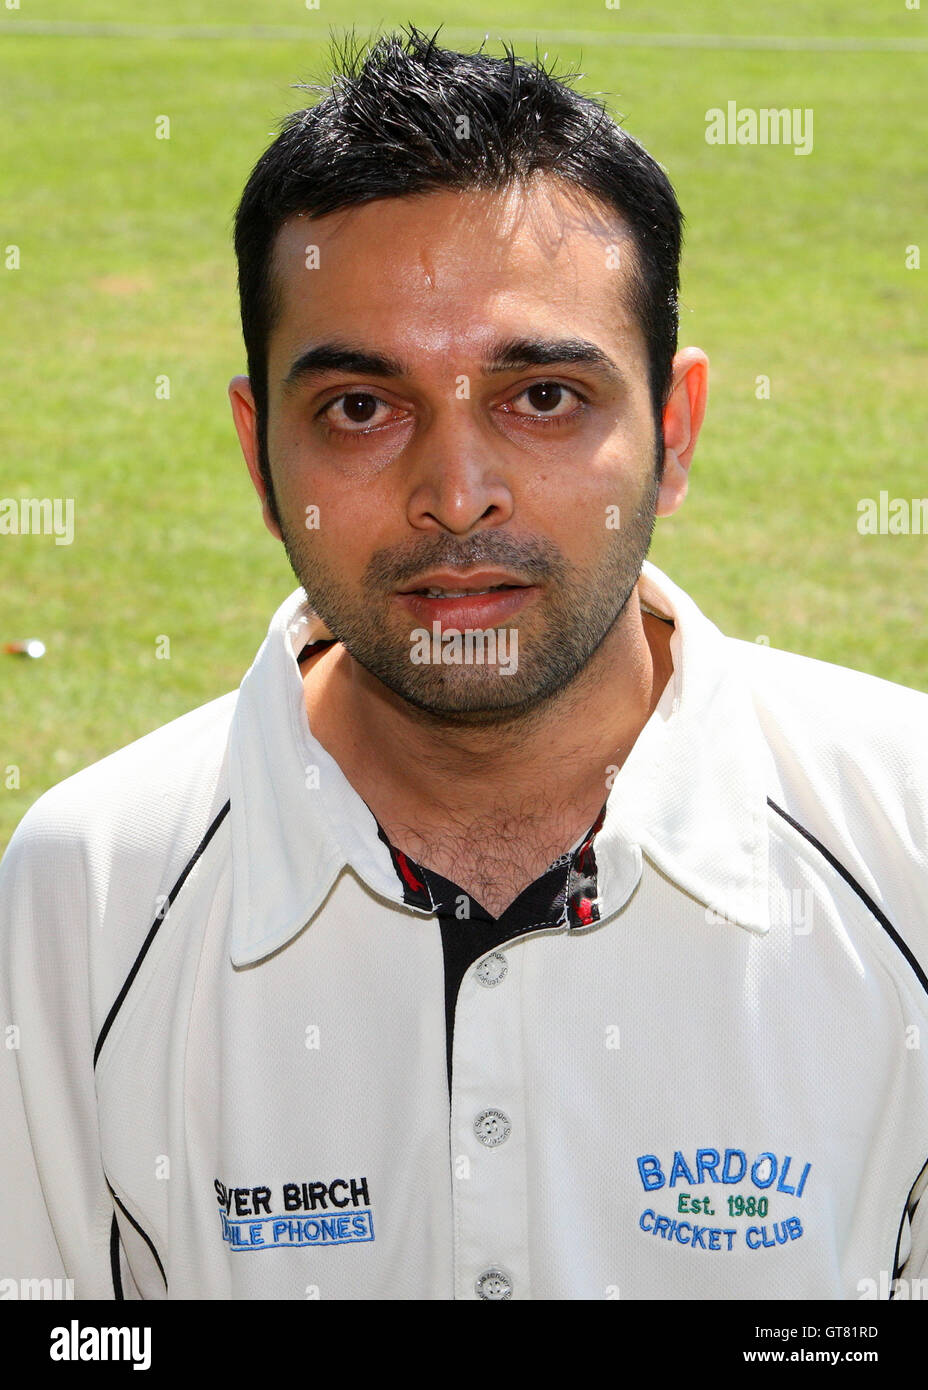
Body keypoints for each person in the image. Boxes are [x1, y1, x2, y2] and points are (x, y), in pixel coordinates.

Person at [1, 24, 926, 1303]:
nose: (457, 493)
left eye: (542, 394)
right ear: (259, 454)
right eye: (361, 409)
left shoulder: (906, 837)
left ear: (674, 428)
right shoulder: (86, 892)